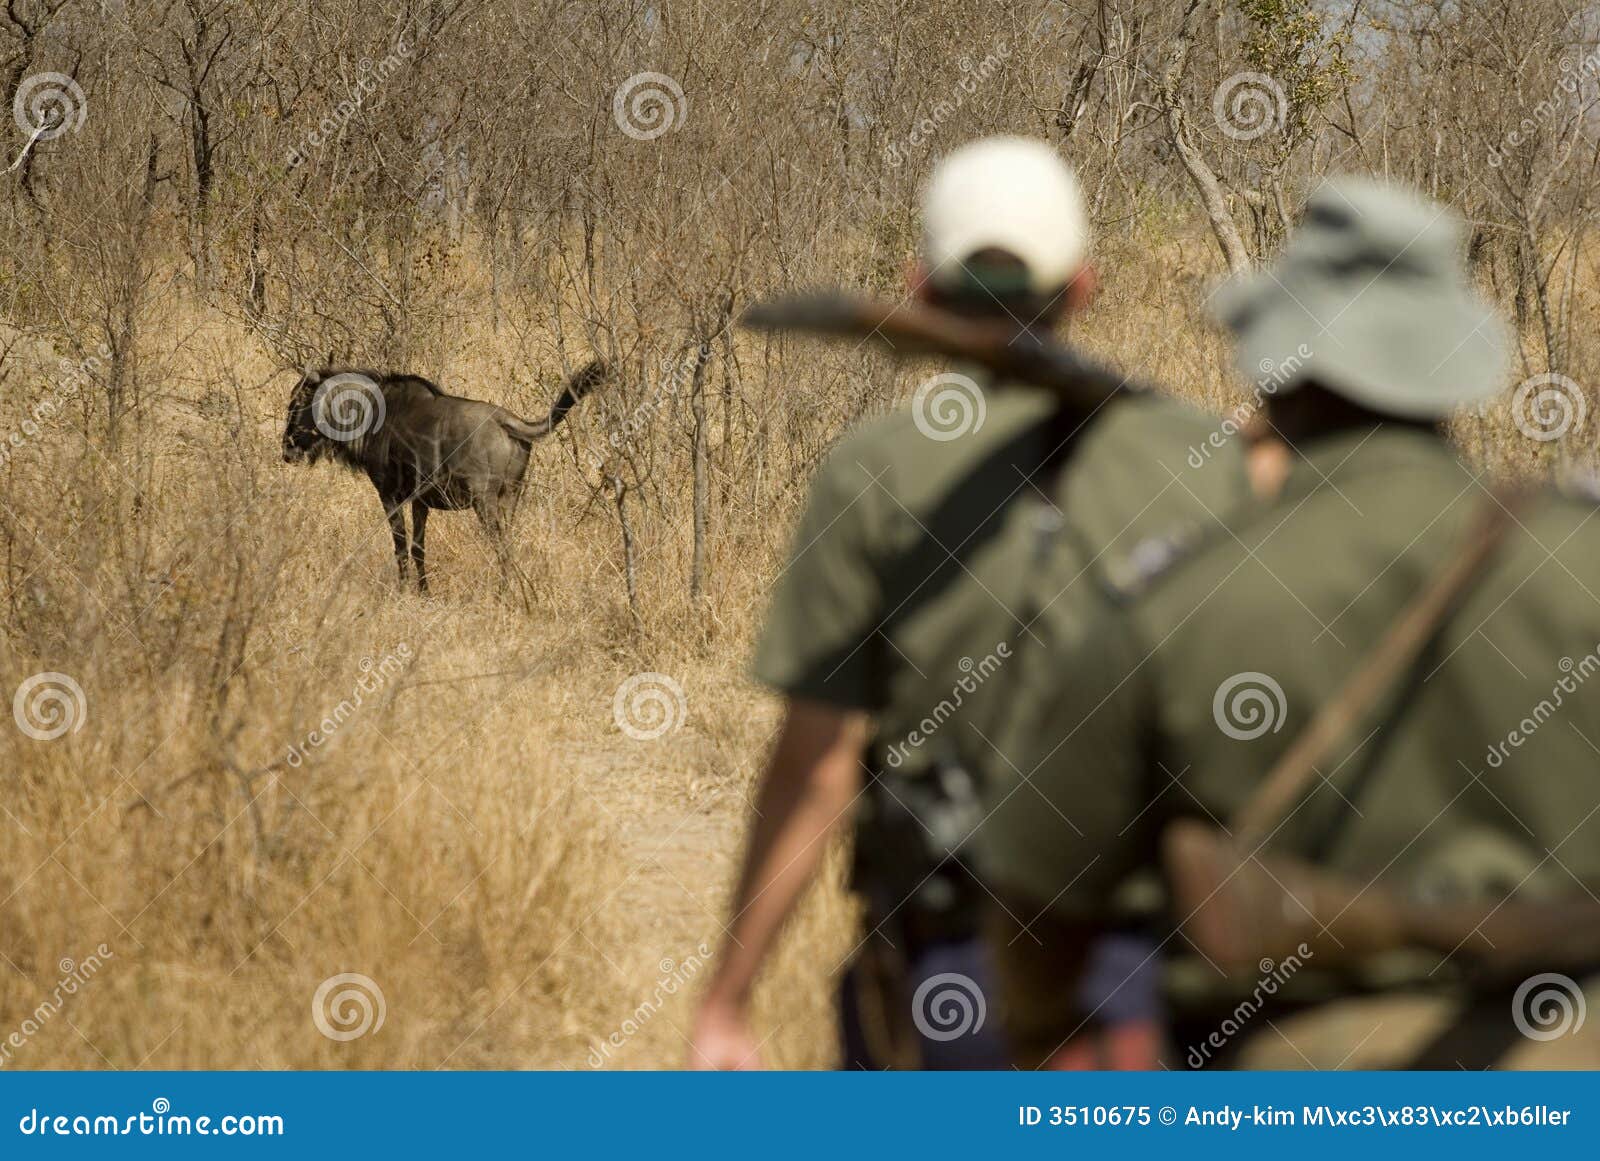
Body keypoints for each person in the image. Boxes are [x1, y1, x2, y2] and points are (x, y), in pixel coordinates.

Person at [975, 177, 1600, 1069]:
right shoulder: (1582, 564)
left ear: (1278, 363)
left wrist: (1047, 1031)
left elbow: (1038, 900)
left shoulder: (1176, 604)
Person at [689, 137, 1253, 1069]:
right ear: (1085, 287)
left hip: (951, 967)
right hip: (1161, 976)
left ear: (919, 284)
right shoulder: (1203, 459)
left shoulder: (874, 469)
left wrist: (726, 999)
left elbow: (818, 766)